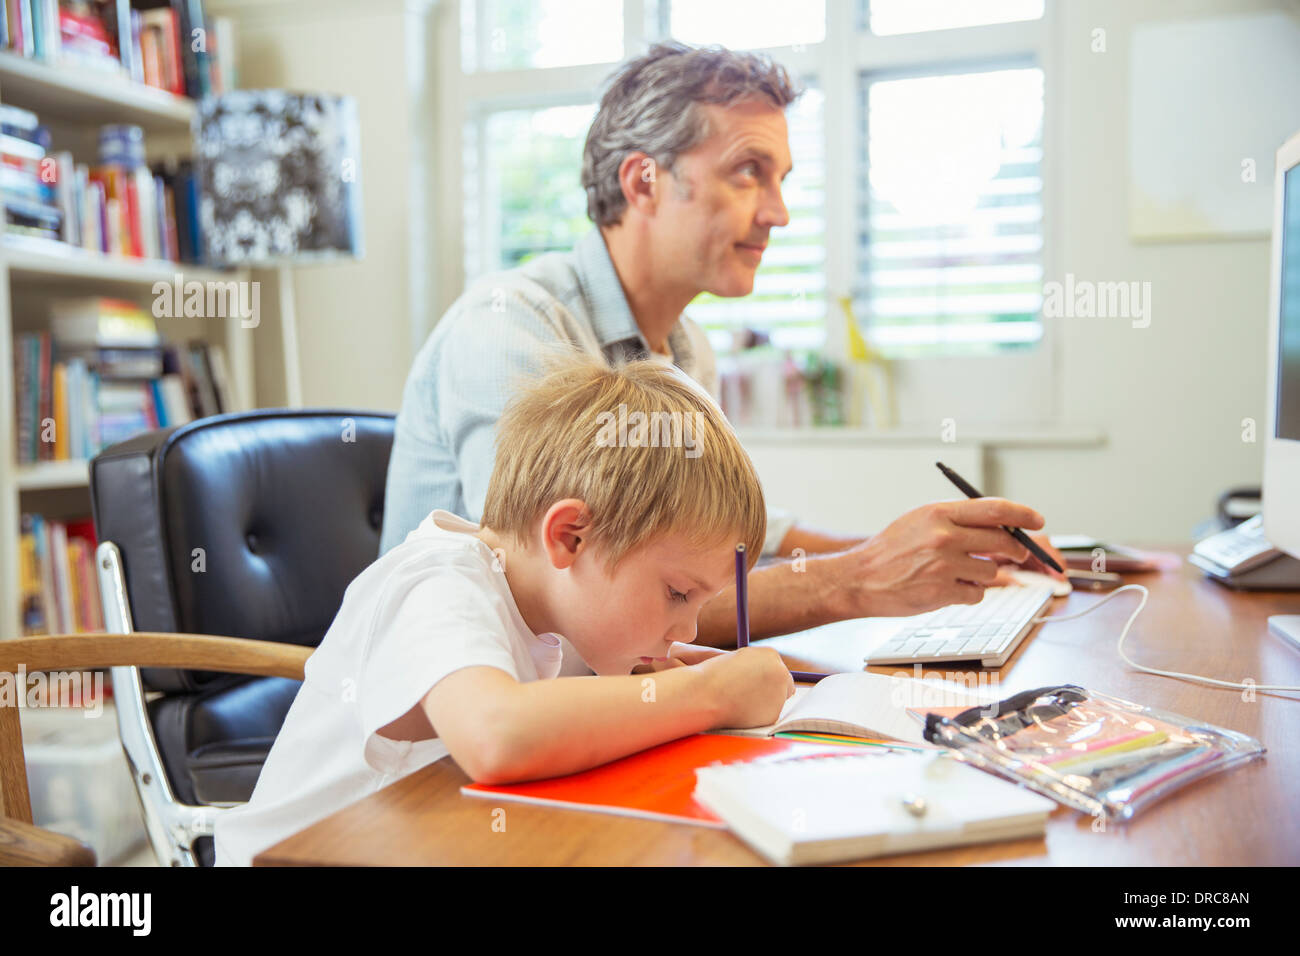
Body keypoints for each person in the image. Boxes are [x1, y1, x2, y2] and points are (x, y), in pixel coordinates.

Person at [379, 40, 1062, 654]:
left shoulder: (684, 350)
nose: (778, 212)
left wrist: (929, 552)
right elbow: (578, 607)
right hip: (444, 750)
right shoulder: (510, 328)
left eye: (782, 179)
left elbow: (715, 548)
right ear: (643, 181)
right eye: (748, 172)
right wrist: (858, 580)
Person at [214, 355, 794, 866]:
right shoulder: (436, 583)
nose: (689, 628)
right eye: (677, 594)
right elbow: (498, 737)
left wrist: (652, 685)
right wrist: (709, 694)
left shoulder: (559, 613)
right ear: (570, 536)